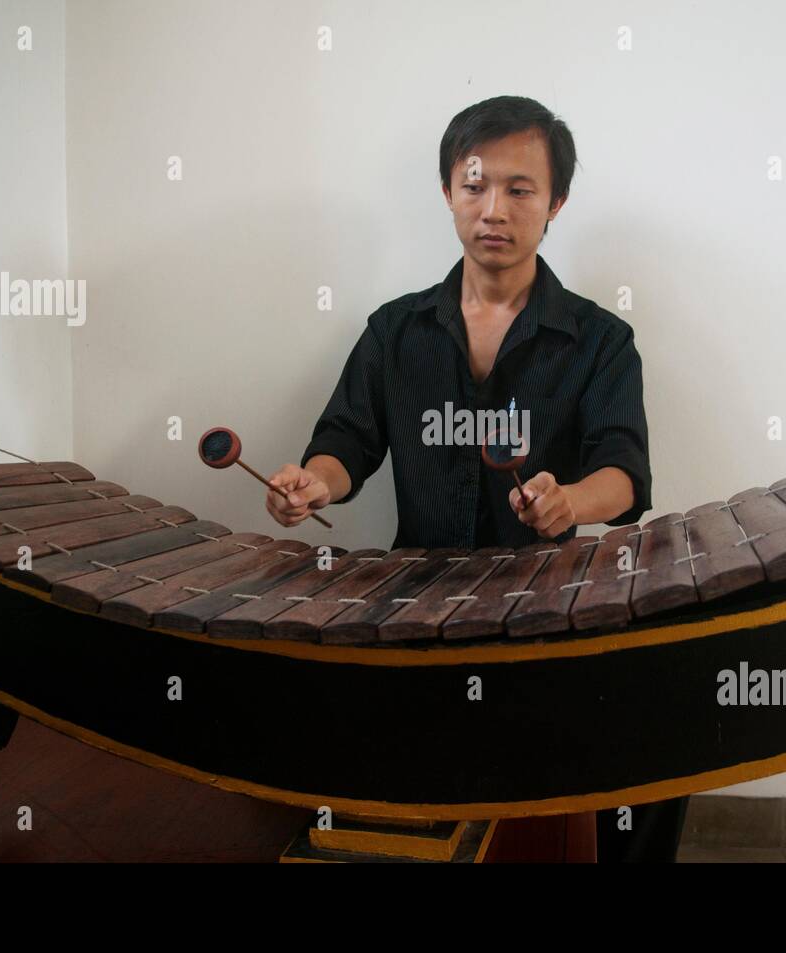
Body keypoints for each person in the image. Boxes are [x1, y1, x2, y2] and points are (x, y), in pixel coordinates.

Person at [265, 94, 686, 862]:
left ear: (555, 202)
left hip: (551, 609)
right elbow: (345, 443)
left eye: (519, 189)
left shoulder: (600, 339)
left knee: (668, 726)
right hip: (411, 606)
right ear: (447, 192)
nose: (494, 208)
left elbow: (624, 473)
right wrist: (316, 484)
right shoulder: (395, 331)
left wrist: (568, 501)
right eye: (473, 184)